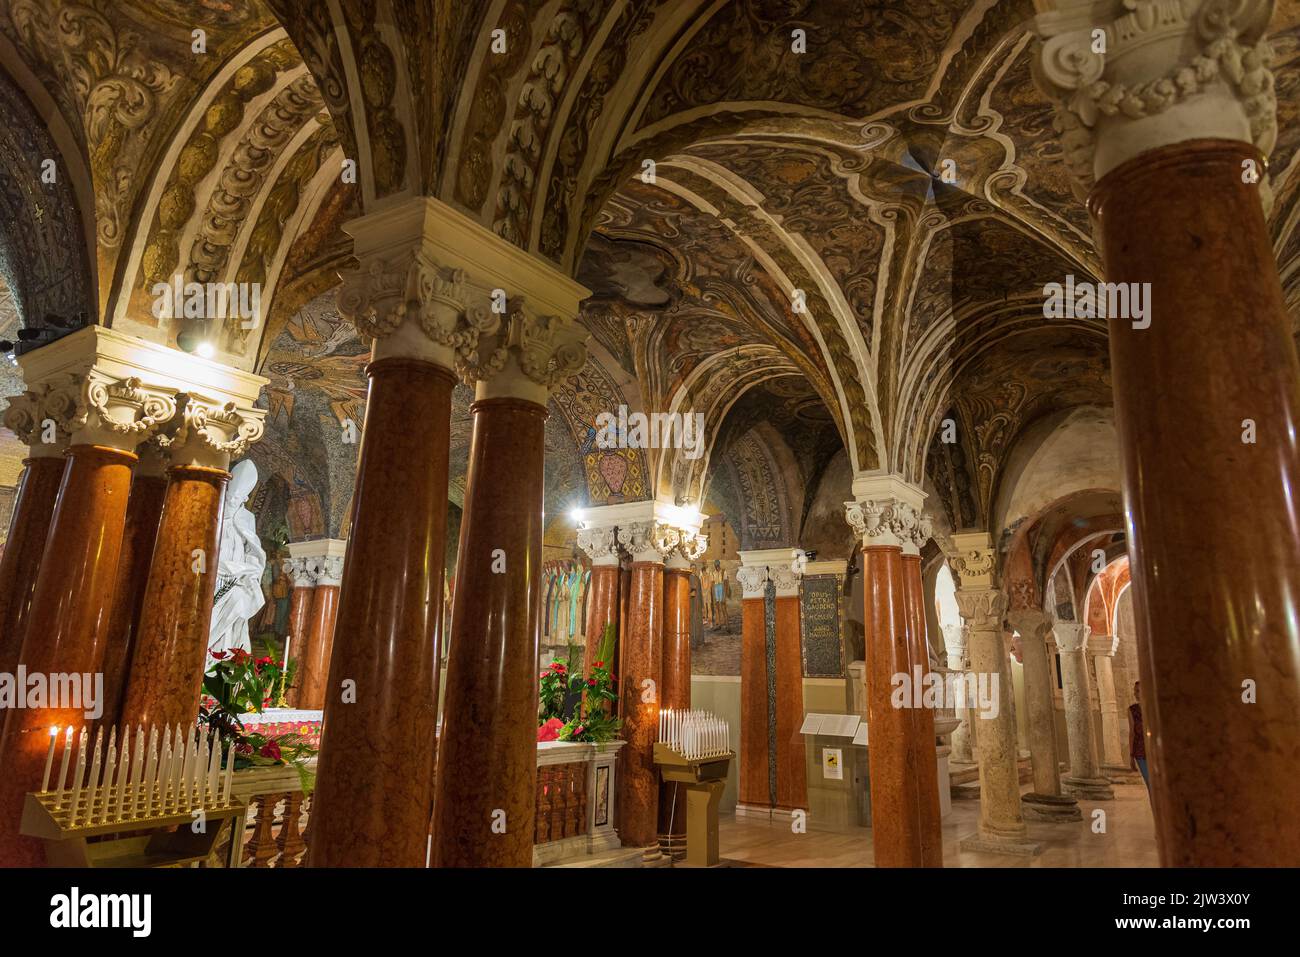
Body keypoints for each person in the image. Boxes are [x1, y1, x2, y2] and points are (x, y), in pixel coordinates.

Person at [209, 459, 267, 656]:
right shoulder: (212, 511)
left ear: (245, 498)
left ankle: (223, 656)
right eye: (231, 496)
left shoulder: (246, 519)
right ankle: (208, 653)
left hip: (236, 577)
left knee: (239, 600)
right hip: (215, 574)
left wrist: (250, 570)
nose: (233, 501)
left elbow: (254, 552)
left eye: (238, 498)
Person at [1129, 680, 1149, 790]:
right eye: (1134, 691)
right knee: (1150, 784)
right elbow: (1132, 733)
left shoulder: (1152, 707)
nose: (1135, 694)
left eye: (1137, 691)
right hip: (1140, 752)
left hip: (1154, 751)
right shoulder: (1132, 710)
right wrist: (1131, 756)